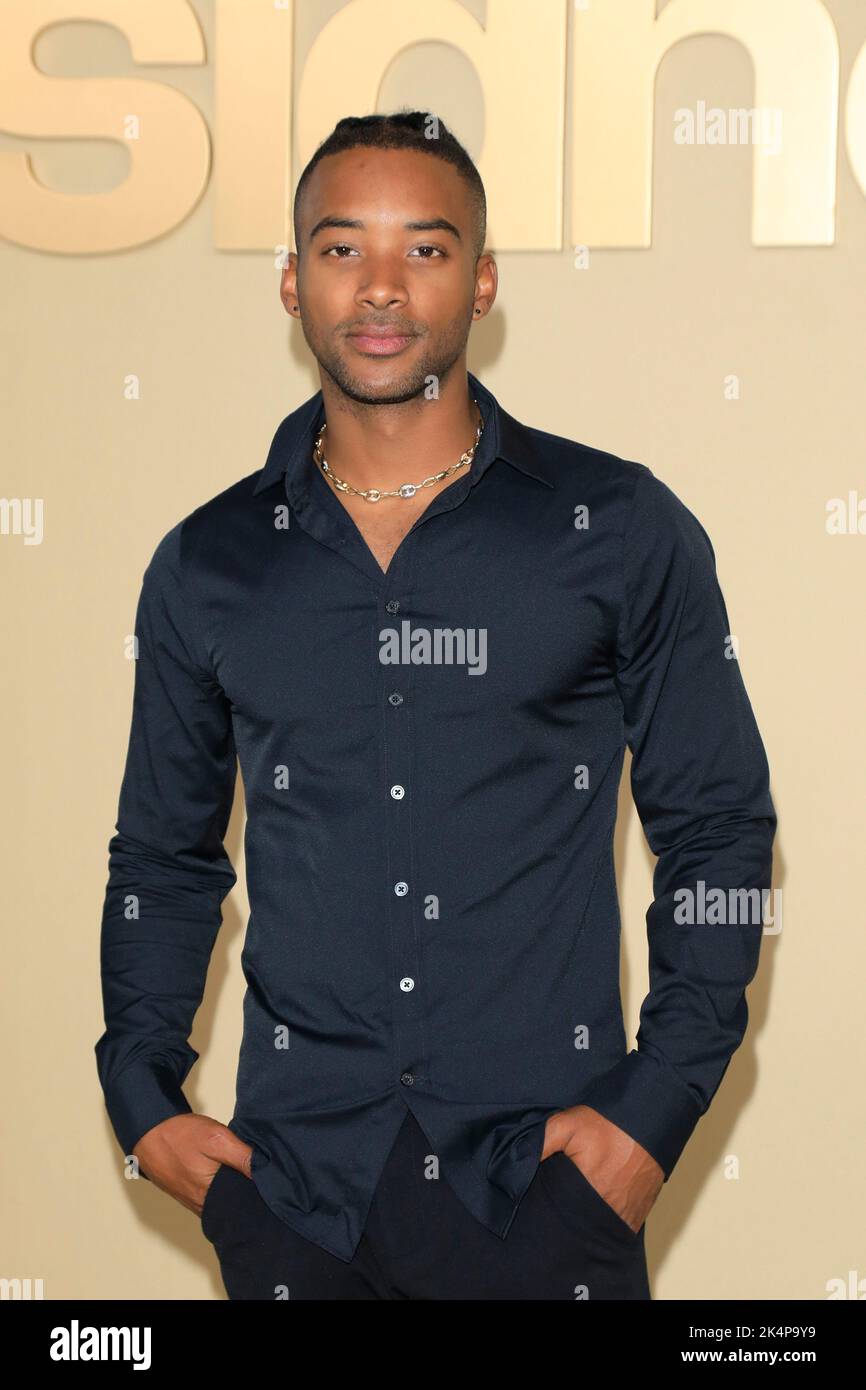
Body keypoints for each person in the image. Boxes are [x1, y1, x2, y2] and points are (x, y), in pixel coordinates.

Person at [95, 111, 776, 1301]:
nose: (379, 288)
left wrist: (650, 1114)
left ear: (483, 281)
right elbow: (164, 851)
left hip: (544, 1195)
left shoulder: (615, 531)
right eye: (341, 247)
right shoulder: (209, 564)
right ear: (290, 282)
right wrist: (143, 1099)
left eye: (425, 248)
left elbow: (719, 832)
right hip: (298, 1203)